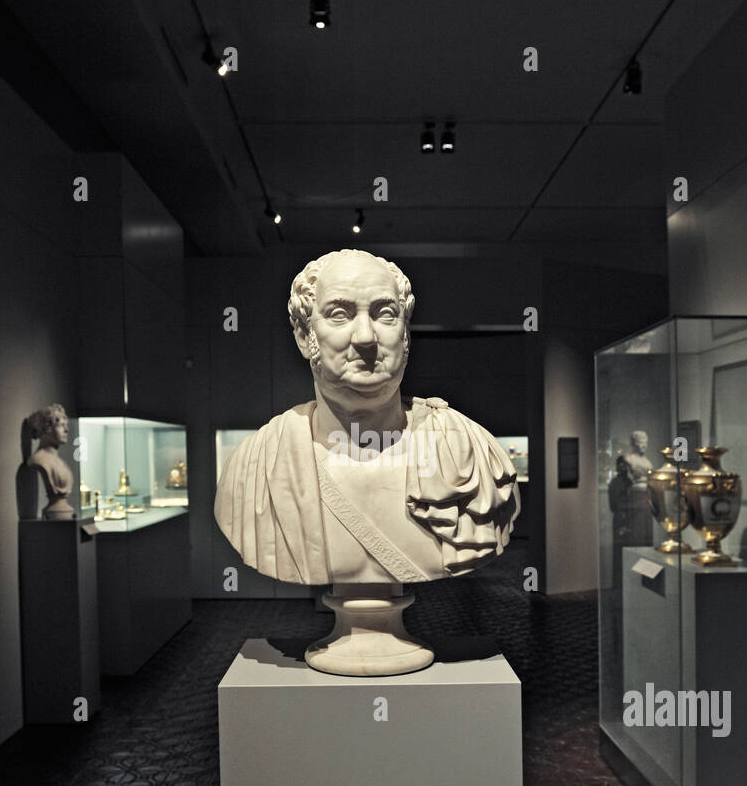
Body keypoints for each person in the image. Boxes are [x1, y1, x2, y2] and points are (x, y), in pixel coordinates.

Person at [214, 249, 519, 585]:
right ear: (304, 336)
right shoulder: (255, 467)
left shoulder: (470, 452)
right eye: (340, 314)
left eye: (385, 314)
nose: (365, 338)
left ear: (405, 334)